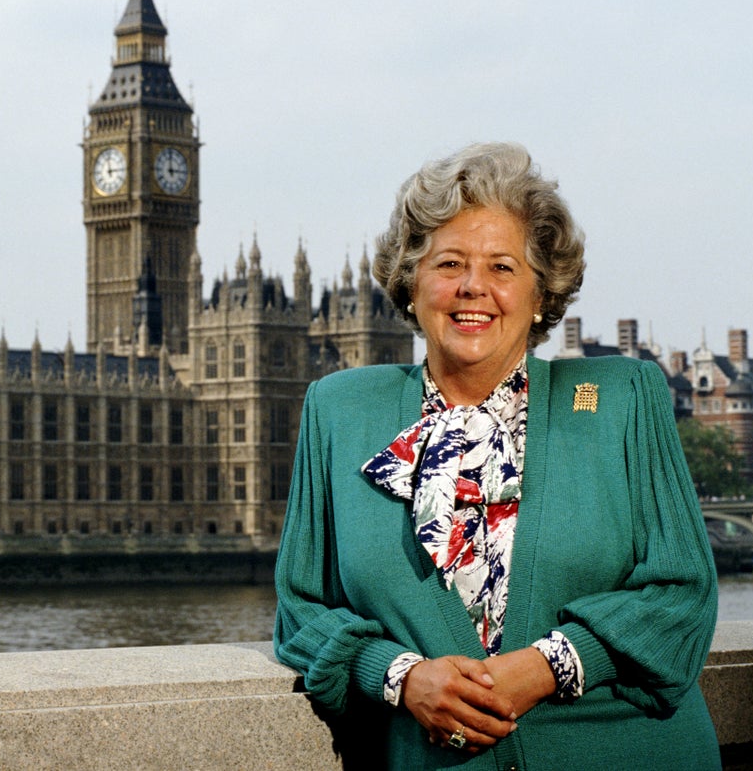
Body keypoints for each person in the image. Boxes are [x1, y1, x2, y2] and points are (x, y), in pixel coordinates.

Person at [273, 142, 720, 769]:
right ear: (412, 285)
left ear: (541, 294)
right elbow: (299, 610)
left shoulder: (622, 397)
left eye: (503, 268)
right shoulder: (339, 410)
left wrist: (548, 666)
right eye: (449, 263)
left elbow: (683, 593)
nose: (472, 287)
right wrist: (400, 676)